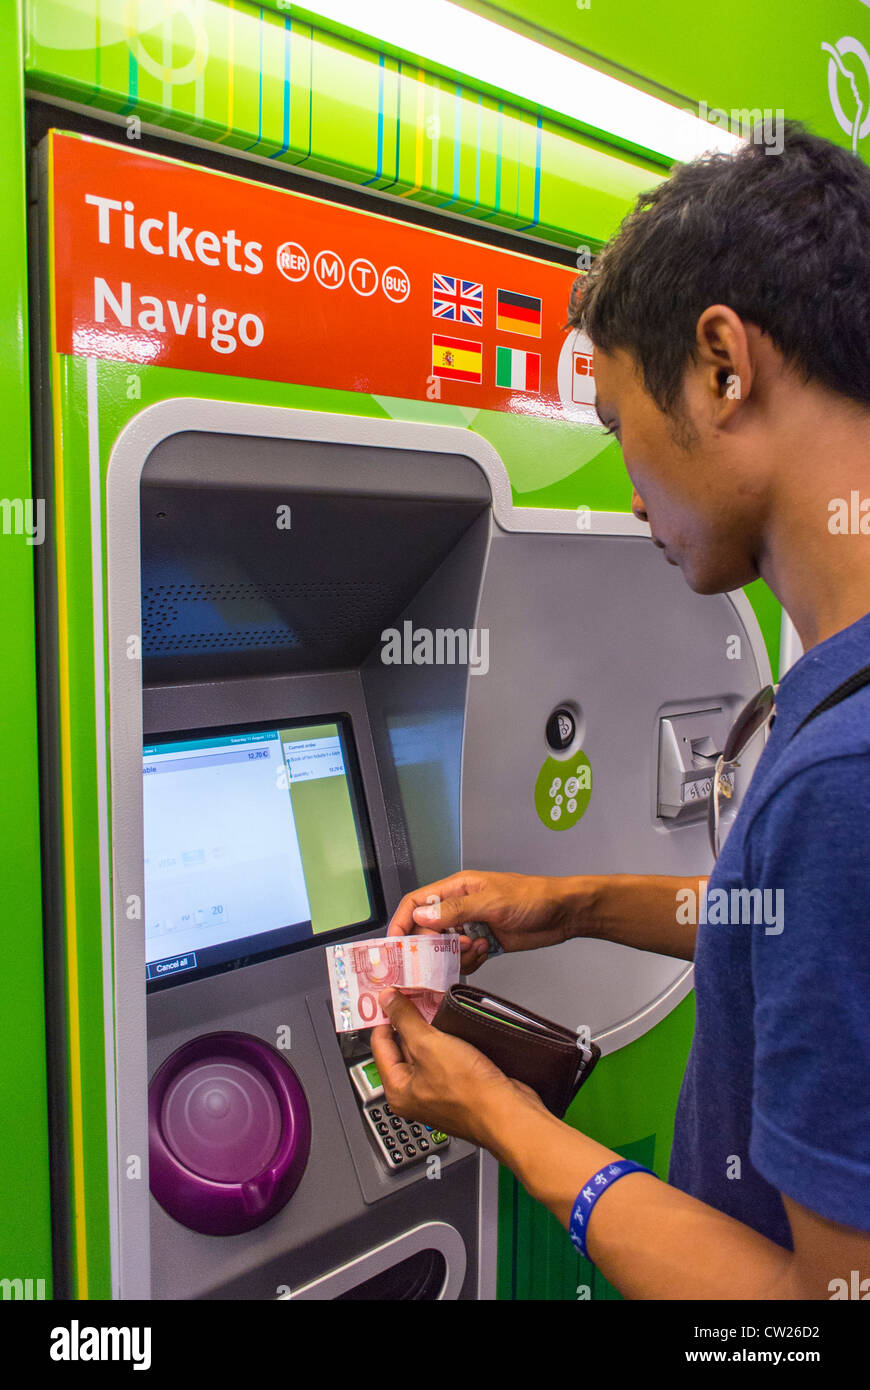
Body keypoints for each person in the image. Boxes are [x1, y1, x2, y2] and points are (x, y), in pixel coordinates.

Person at [370, 122, 870, 1300]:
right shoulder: (839, 703)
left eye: (615, 421)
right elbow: (804, 923)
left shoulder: (839, 775)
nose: (631, 484)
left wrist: (504, 1117)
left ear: (721, 364)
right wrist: (579, 903)